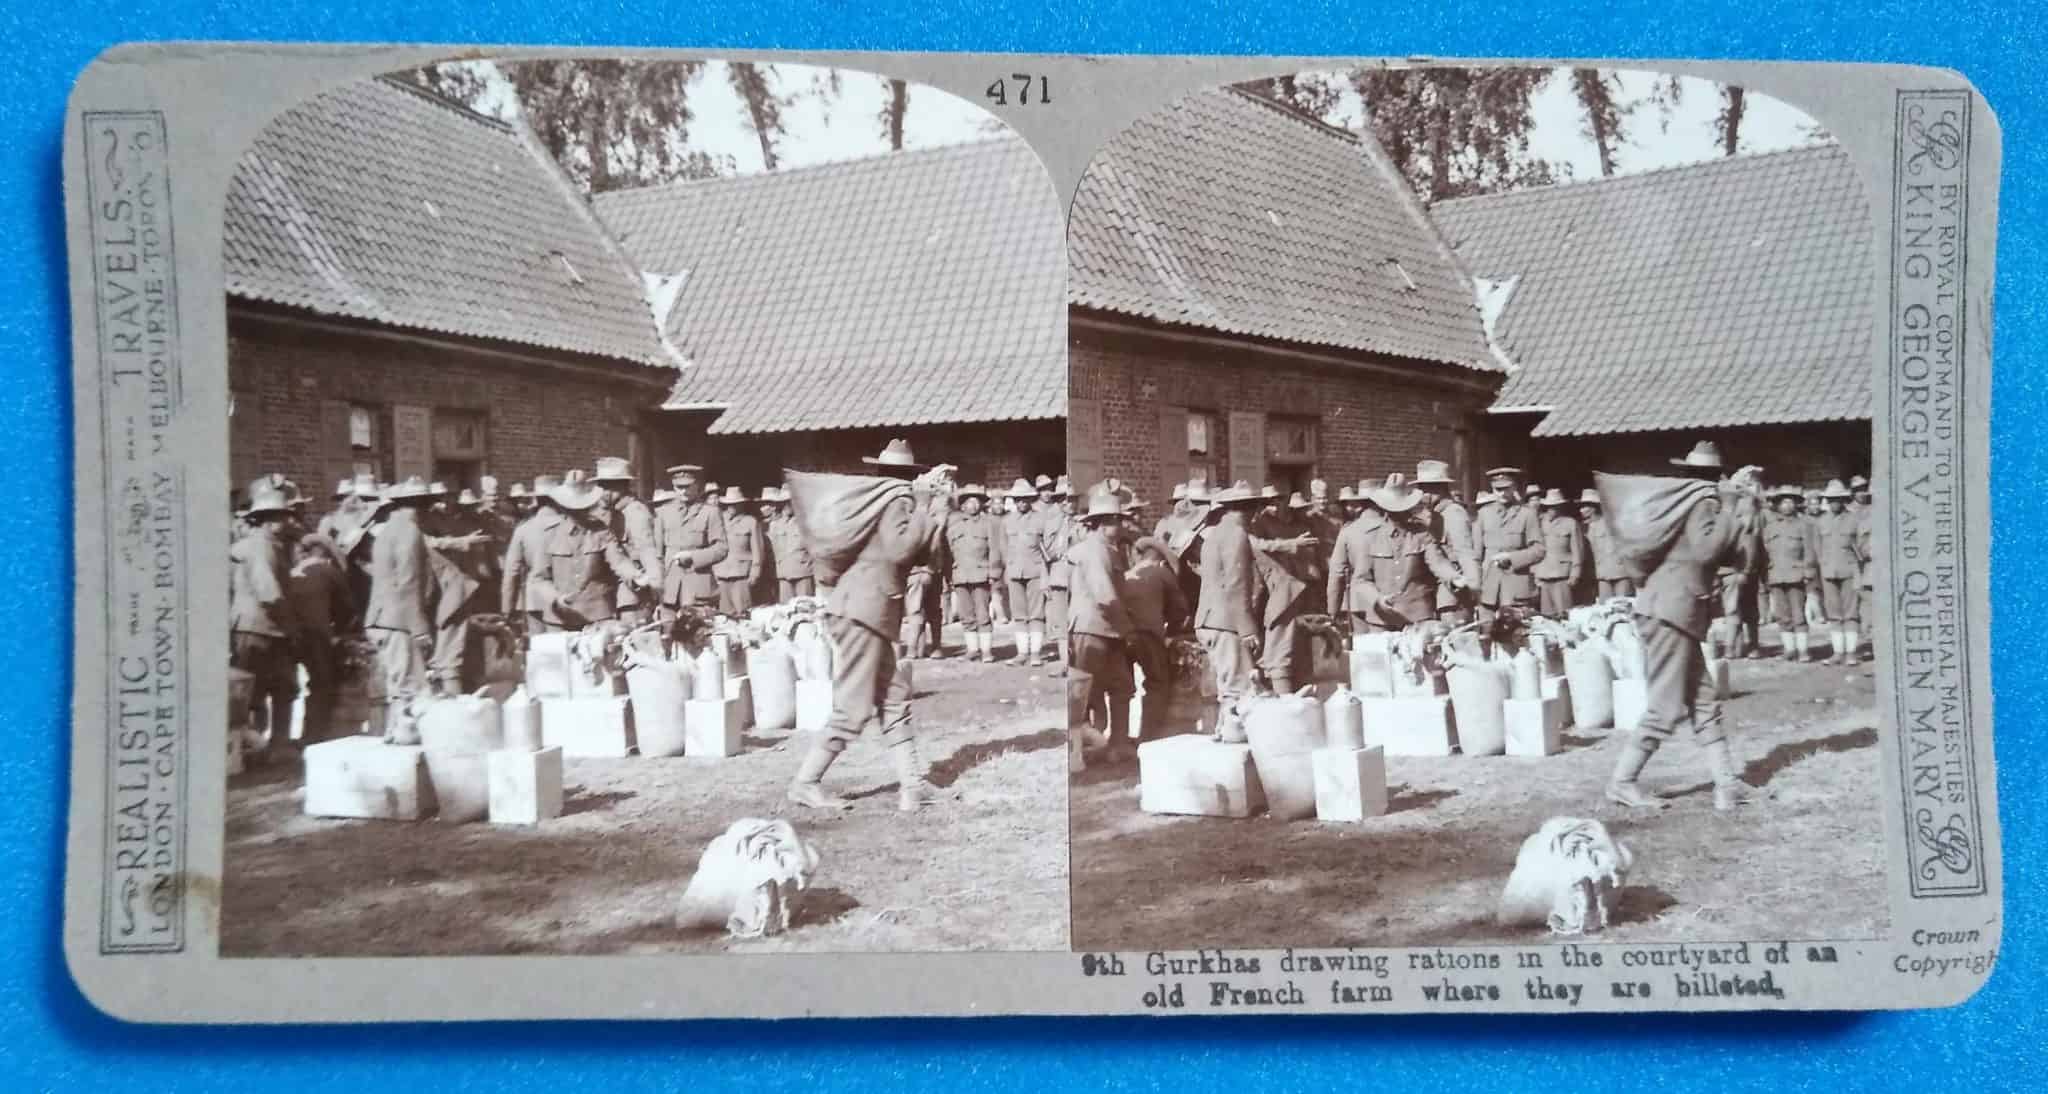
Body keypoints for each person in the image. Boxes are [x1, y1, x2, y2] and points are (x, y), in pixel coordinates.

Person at [1604, 441, 1768, 812]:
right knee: (1665, 707)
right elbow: (1707, 551)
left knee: (1704, 700)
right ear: (1715, 476)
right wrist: (1730, 503)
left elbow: (1731, 555)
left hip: (1677, 612)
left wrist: (1748, 508)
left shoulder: (1694, 503)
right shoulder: (1704, 503)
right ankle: (1622, 782)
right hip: (1670, 613)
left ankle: (1726, 785)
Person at [787, 439, 943, 812]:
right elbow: (900, 550)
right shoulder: (899, 501)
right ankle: (805, 783)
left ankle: (912, 785)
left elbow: (921, 553)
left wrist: (939, 511)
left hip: (866, 610)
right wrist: (923, 503)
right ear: (911, 475)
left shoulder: (881, 500)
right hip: (863, 611)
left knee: (894, 698)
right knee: (853, 708)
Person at [1330, 478, 1463, 633]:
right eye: (1392, 509)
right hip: (1381, 619)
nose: (1397, 514)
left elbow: (1437, 562)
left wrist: (1454, 578)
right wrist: (1377, 598)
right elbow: (1361, 579)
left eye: (1402, 508)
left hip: (1418, 616)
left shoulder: (1420, 534)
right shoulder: (1372, 536)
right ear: (1384, 508)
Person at [1066, 492, 1140, 761]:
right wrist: (1128, 629)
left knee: (1122, 687)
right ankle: (1080, 750)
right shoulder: (1095, 551)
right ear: (1103, 522)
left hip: (1108, 630)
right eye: (1117, 521)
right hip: (1092, 630)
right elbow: (1105, 595)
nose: (1121, 527)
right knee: (1083, 694)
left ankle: (1117, 745)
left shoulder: (1109, 549)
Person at [231, 485, 302, 759]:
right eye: (282, 517)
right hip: (263, 628)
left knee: (271, 690)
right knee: (257, 692)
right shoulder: (262, 547)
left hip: (258, 627)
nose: (287, 521)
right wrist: (293, 628)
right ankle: (259, 747)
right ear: (268, 519)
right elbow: (269, 594)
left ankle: (269, 746)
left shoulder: (263, 545)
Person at [363, 478, 436, 742]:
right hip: (399, 620)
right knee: (412, 686)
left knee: (398, 683)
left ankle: (394, 733)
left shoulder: (386, 531)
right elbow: (408, 582)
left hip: (382, 617)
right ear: (420, 506)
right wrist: (419, 628)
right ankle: (406, 741)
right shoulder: (409, 532)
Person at [526, 472, 646, 632]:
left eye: (584, 507)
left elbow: (618, 561)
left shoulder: (601, 531)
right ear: (563, 506)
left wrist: (636, 577)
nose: (579, 511)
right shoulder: (550, 534)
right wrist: (555, 598)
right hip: (559, 619)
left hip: (597, 616)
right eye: (572, 507)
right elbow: (539, 578)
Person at [1195, 482, 1261, 741]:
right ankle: (1233, 740)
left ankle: (1222, 732)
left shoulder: (1214, 534)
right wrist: (1247, 629)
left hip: (1210, 619)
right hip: (1226, 621)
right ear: (1247, 509)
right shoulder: (1236, 535)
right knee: (1239, 686)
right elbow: (1235, 584)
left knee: (1227, 685)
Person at [288, 503, 355, 745]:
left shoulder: (296, 570)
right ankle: (315, 736)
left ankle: (290, 737)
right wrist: (342, 632)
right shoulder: (329, 571)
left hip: (291, 633)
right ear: (327, 555)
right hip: (316, 634)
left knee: (291, 687)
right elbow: (346, 609)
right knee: (322, 683)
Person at [1248, 485, 1317, 693]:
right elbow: (1258, 544)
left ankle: (1289, 697)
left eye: (1277, 501)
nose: (1274, 506)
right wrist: (1289, 544)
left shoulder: (1290, 524)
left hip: (1283, 592)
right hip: (1265, 594)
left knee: (1286, 649)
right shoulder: (1254, 525)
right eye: (1269, 502)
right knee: (1276, 652)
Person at [1123, 534, 1188, 744]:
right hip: (1148, 634)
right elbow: (1180, 609)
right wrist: (1171, 632)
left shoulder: (1128, 573)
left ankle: (1121, 739)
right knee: (1158, 683)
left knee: (1123, 688)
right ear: (1161, 558)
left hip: (1123, 634)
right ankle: (1149, 737)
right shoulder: (1162, 572)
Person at [593, 457, 661, 626]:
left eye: (606, 486)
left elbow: (648, 551)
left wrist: (655, 587)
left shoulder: (635, 512)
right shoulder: (615, 512)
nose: (602, 491)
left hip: (635, 591)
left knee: (634, 638)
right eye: (601, 486)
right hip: (617, 586)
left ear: (621, 487)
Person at [655, 463, 728, 618]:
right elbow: (657, 553)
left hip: (698, 584)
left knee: (699, 634)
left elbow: (721, 548)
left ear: (697, 486)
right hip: (669, 588)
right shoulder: (663, 513)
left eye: (688, 486)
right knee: (667, 633)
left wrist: (693, 556)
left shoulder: (710, 512)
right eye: (678, 487)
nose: (683, 491)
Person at [1475, 467, 1545, 623]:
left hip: (1516, 587)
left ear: (1514, 487)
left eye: (1506, 488)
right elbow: (1476, 555)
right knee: (1485, 634)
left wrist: (1512, 557)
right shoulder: (1484, 514)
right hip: (1488, 588)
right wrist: (1475, 585)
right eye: (1497, 489)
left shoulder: (1527, 514)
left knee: (1517, 636)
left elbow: (1539, 550)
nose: (1502, 493)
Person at [1414, 459, 1479, 625]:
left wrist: (1472, 584)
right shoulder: (1434, 513)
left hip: (1454, 589)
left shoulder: (1453, 513)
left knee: (1454, 636)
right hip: (1437, 584)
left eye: (1424, 488)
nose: (1421, 493)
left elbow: (1464, 552)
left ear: (1438, 489)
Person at [943, 483, 1002, 662]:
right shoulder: (953, 527)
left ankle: (986, 651)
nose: (973, 505)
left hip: (981, 575)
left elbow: (994, 550)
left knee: (983, 614)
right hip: (960, 575)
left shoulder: (988, 524)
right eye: (969, 501)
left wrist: (994, 573)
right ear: (962, 506)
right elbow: (947, 553)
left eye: (976, 501)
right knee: (966, 615)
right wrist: (948, 576)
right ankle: (972, 649)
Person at [1762, 484, 1819, 661]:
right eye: (1783, 502)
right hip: (1776, 576)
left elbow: (1810, 550)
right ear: (1777, 505)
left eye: (1790, 502)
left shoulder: (1804, 525)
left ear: (1796, 504)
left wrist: (1808, 571)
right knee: (1782, 616)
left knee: (1798, 615)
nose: (1787, 506)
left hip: (1796, 575)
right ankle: (1790, 649)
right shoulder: (1770, 527)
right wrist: (1766, 576)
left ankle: (1803, 651)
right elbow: (1765, 552)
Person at [500, 473, 563, 633]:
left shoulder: (523, 529)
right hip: (561, 599)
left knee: (539, 652)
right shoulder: (567, 526)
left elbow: (511, 572)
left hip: (533, 600)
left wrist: (507, 609)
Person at [1815, 479, 1862, 664]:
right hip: (1828, 572)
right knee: (1833, 614)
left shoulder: (1854, 519)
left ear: (1844, 500)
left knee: (1851, 613)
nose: (1834, 502)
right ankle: (1837, 652)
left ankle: (1850, 652)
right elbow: (1817, 549)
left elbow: (1860, 546)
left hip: (1849, 571)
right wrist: (1822, 566)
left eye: (1838, 499)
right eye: (1831, 499)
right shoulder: (1821, 521)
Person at [1000, 478, 1045, 666]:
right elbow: (1003, 548)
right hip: (1014, 571)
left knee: (1036, 613)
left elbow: (1045, 547)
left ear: (1031, 500)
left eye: (1025, 499)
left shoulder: (1040, 519)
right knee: (1019, 614)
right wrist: (1005, 569)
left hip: (1035, 570)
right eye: (1018, 499)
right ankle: (1022, 652)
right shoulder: (1006, 521)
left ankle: (1035, 653)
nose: (1022, 503)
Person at [1040, 479, 1079, 673]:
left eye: (1071, 499)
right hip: (1057, 577)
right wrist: (1044, 580)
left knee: (1079, 621)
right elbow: (1043, 555)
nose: (1067, 504)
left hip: (1079, 578)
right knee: (1060, 621)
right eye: (1062, 500)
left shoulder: (1085, 524)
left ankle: (1079, 661)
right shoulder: (1051, 524)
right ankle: (1066, 662)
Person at [1531, 488, 1586, 617]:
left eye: (1555, 507)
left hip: (1562, 574)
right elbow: (1534, 549)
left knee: (1564, 614)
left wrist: (1575, 573)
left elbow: (1577, 550)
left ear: (1561, 507)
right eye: (1549, 507)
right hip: (1543, 574)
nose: (1551, 509)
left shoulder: (1570, 523)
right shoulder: (1539, 523)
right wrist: (1534, 573)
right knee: (1546, 615)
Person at [713, 486, 764, 617]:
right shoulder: (718, 520)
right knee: (724, 614)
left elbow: (757, 549)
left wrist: (755, 572)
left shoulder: (750, 522)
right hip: (721, 573)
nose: (732, 507)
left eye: (735, 504)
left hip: (741, 573)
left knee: (743, 612)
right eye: (729, 504)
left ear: (741, 505)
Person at [762, 486, 816, 603]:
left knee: (805, 609)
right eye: (783, 502)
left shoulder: (806, 522)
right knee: (785, 611)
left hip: (803, 571)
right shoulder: (775, 525)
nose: (786, 506)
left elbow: (816, 549)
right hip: (783, 573)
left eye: (789, 502)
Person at [1579, 489, 1633, 600]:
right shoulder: (1587, 527)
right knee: (1604, 609)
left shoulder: (1611, 523)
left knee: (1621, 606)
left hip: (1619, 572)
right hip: (1602, 574)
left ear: (1593, 508)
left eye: (1585, 506)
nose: (1581, 510)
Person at [1855, 479, 1875, 662]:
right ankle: (1870, 644)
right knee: (1868, 609)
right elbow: (1860, 545)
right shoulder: (1866, 515)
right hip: (1872, 570)